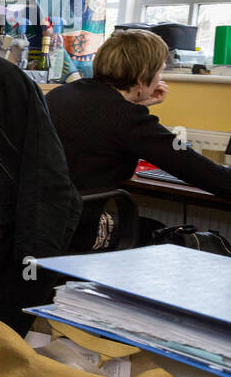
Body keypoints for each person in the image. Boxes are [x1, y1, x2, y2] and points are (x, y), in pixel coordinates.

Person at [46, 28, 231, 248]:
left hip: (40, 223)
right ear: (143, 75)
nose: (159, 79)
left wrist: (134, 104)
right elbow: (206, 174)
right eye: (159, 71)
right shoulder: (127, 118)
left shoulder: (62, 93)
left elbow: (102, 123)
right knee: (161, 237)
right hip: (77, 230)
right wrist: (133, 109)